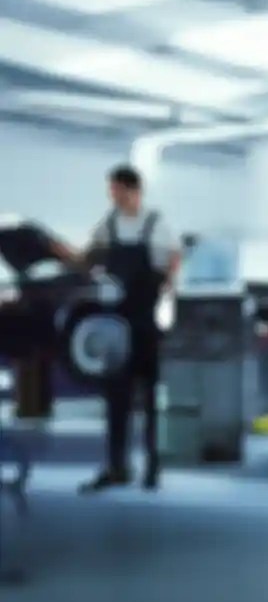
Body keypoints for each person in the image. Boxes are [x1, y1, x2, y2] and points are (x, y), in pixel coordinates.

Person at [55, 165, 181, 492]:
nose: (113, 197)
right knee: (116, 398)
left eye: (117, 191)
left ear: (133, 190)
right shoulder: (107, 225)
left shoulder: (156, 224)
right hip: (115, 325)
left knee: (150, 399)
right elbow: (88, 259)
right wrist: (61, 252)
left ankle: (153, 465)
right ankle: (117, 467)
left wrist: (169, 282)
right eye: (111, 191)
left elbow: (173, 257)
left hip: (145, 323)